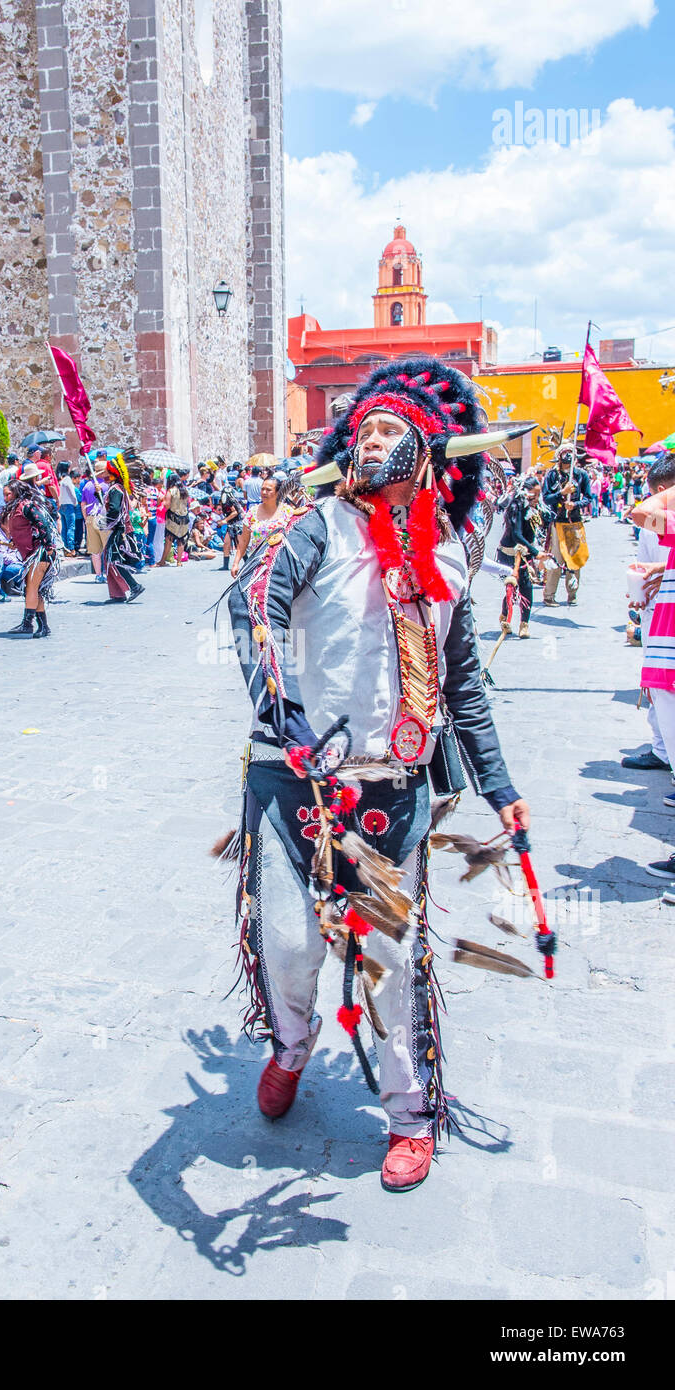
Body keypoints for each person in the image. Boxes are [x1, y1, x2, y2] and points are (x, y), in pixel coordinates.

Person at [226, 357, 528, 1192]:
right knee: (290, 946)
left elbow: (464, 685)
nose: (370, 441)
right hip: (297, 783)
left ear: (428, 453)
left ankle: (409, 1114)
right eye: (363, 429)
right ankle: (291, 1046)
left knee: (390, 959)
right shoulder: (317, 526)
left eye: (390, 429)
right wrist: (280, 706)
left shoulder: (452, 556)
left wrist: (501, 788)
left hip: (393, 795)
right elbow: (255, 607)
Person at [622, 456, 675, 773]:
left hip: (668, 621)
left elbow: (640, 513)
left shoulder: (664, 513)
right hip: (660, 612)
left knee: (665, 690)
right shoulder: (661, 525)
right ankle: (662, 750)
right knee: (661, 691)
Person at [0, 463, 59, 636]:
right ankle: (43, 626)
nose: (5, 498)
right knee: (34, 589)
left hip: (40, 552)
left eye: (8, 494)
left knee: (31, 588)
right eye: (4, 495)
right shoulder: (17, 508)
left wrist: (48, 546)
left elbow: (43, 524)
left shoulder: (27, 506)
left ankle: (28, 624)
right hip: (31, 554)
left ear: (16, 492)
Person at [495, 474, 548, 638]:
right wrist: (536, 552)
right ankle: (505, 618)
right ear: (525, 492)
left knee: (526, 587)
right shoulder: (516, 507)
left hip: (525, 553)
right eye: (534, 494)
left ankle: (524, 625)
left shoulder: (534, 507)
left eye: (539, 495)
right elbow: (517, 535)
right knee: (512, 588)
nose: (537, 498)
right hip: (510, 553)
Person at [541, 444, 592, 606]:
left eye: (571, 453)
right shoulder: (552, 475)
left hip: (575, 521)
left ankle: (572, 593)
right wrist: (562, 493)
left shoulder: (581, 475)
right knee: (556, 559)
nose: (568, 457)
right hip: (558, 523)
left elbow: (588, 498)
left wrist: (575, 504)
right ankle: (549, 595)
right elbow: (546, 498)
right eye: (565, 453)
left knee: (575, 559)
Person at [101, 456, 145, 602]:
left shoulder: (115, 490)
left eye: (107, 473)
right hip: (121, 529)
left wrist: (103, 522)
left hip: (119, 530)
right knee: (113, 560)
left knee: (114, 560)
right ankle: (119, 593)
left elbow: (114, 510)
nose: (104, 476)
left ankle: (134, 586)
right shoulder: (118, 488)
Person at [231, 474, 287, 577]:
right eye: (262, 489)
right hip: (258, 564)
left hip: (282, 565)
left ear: (278, 492)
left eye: (268, 490)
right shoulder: (252, 512)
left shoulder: (288, 512)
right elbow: (244, 541)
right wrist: (236, 563)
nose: (264, 492)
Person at [157, 472, 190, 566]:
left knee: (169, 540)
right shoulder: (184, 491)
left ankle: (162, 561)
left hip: (173, 517)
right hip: (184, 518)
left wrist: (161, 501)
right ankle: (179, 562)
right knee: (181, 540)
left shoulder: (171, 491)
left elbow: (167, 505)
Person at [219, 475, 245, 572]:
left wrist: (225, 520)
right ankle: (225, 565)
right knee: (226, 543)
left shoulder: (231, 500)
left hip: (237, 524)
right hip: (231, 524)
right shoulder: (225, 501)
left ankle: (247, 562)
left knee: (240, 544)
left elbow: (235, 512)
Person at [57, 462, 79, 556]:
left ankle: (65, 548)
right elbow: (72, 493)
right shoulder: (68, 479)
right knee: (71, 527)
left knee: (64, 528)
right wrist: (75, 502)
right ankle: (71, 548)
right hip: (69, 505)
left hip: (62, 505)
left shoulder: (60, 480)